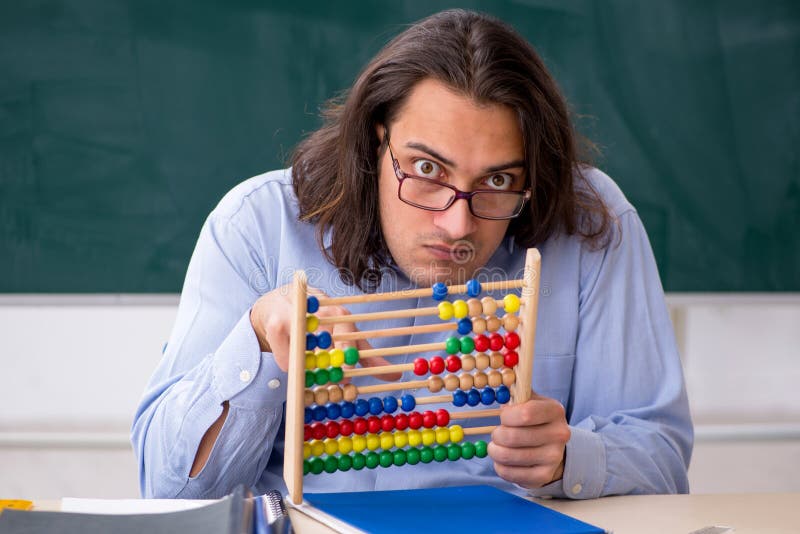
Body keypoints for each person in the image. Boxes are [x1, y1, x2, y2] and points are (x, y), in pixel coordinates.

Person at [132, 9, 693, 500]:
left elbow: (662, 455)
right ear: (378, 139)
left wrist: (572, 459)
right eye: (427, 170)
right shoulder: (258, 225)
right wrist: (256, 343)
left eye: (497, 179)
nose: (457, 223)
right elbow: (167, 486)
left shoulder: (590, 223)